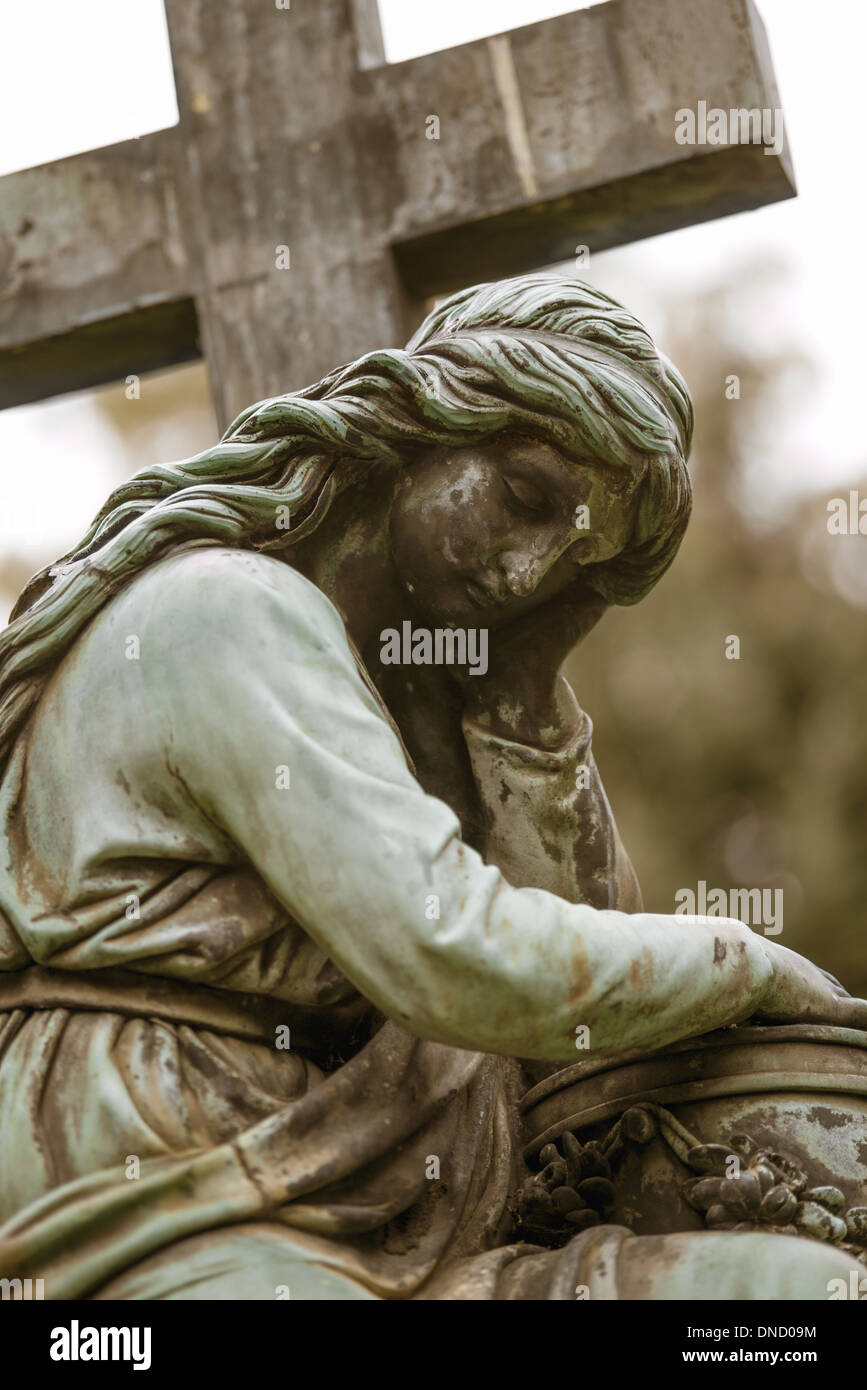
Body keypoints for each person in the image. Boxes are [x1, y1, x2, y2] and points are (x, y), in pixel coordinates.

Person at [0, 274, 862, 1300]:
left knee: (794, 1292)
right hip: (167, 1203)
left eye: (576, 561)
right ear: (424, 420)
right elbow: (456, 953)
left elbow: (572, 1063)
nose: (525, 573)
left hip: (380, 1215)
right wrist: (738, 960)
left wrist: (524, 697)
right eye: (528, 498)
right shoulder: (223, 615)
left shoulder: (418, 701)